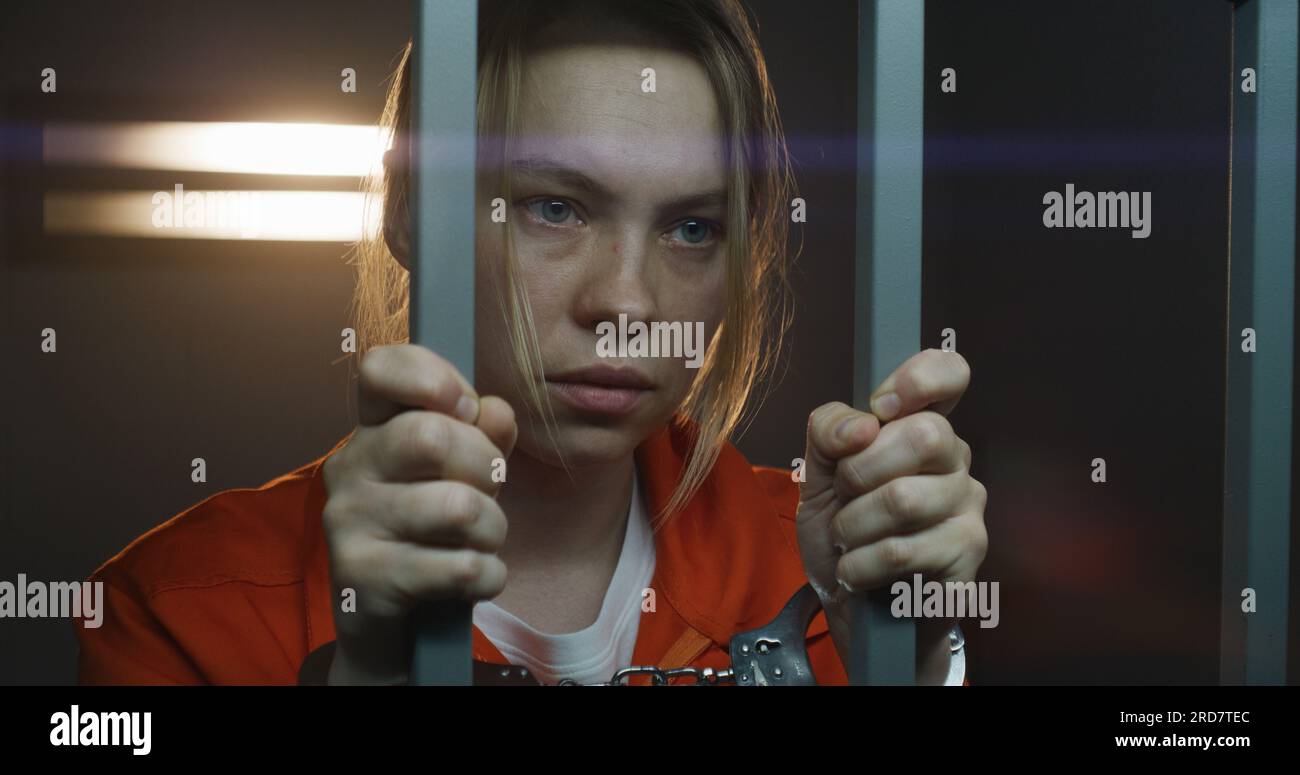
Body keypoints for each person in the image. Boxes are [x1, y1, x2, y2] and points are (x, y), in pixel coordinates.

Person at [75, 0, 987, 686]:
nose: (625, 301)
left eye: (693, 227)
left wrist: (912, 659)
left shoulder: (833, 570)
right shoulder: (184, 612)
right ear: (407, 210)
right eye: (555, 208)